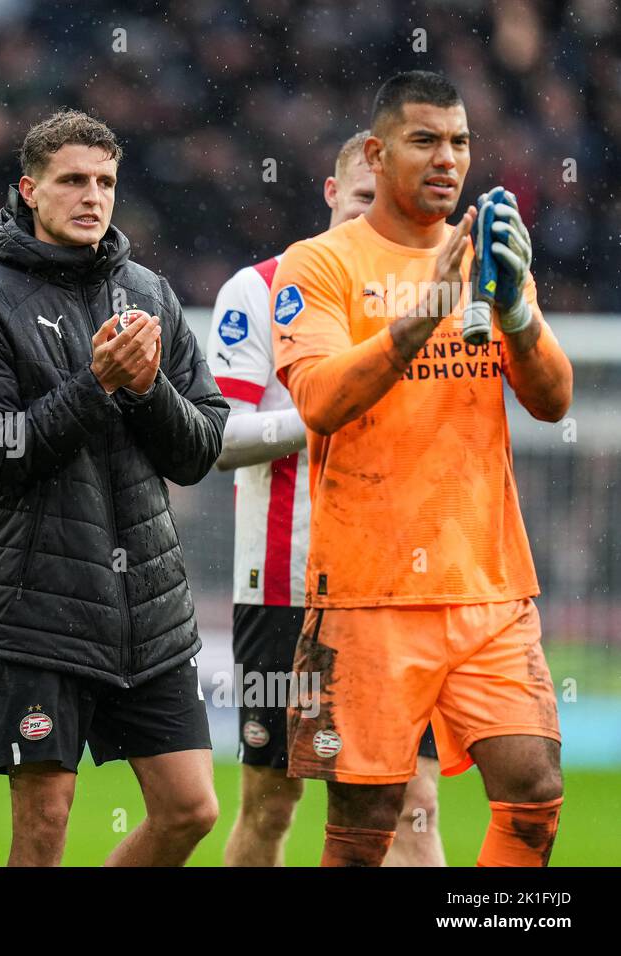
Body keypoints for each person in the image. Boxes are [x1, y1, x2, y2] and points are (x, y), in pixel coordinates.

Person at [272, 71, 572, 866]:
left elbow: (553, 400)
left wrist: (516, 315)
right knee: (363, 834)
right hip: (370, 595)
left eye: (461, 142)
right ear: (378, 150)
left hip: (488, 584)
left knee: (534, 790)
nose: (449, 158)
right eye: (426, 140)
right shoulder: (318, 264)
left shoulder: (490, 255)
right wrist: (421, 319)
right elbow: (320, 401)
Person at [0, 110, 228, 866]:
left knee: (191, 810)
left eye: (104, 181)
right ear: (30, 190)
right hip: (39, 607)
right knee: (43, 829)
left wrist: (144, 387)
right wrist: (98, 382)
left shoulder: (149, 292)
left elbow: (200, 448)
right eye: (72, 180)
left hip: (149, 610)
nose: (92, 195)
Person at [209, 131, 445, 867]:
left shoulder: (426, 299)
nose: (378, 216)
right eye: (365, 198)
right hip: (287, 589)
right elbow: (218, 438)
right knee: (273, 803)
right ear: (331, 194)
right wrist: (323, 410)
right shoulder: (258, 288)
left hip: (401, 593)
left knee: (414, 806)